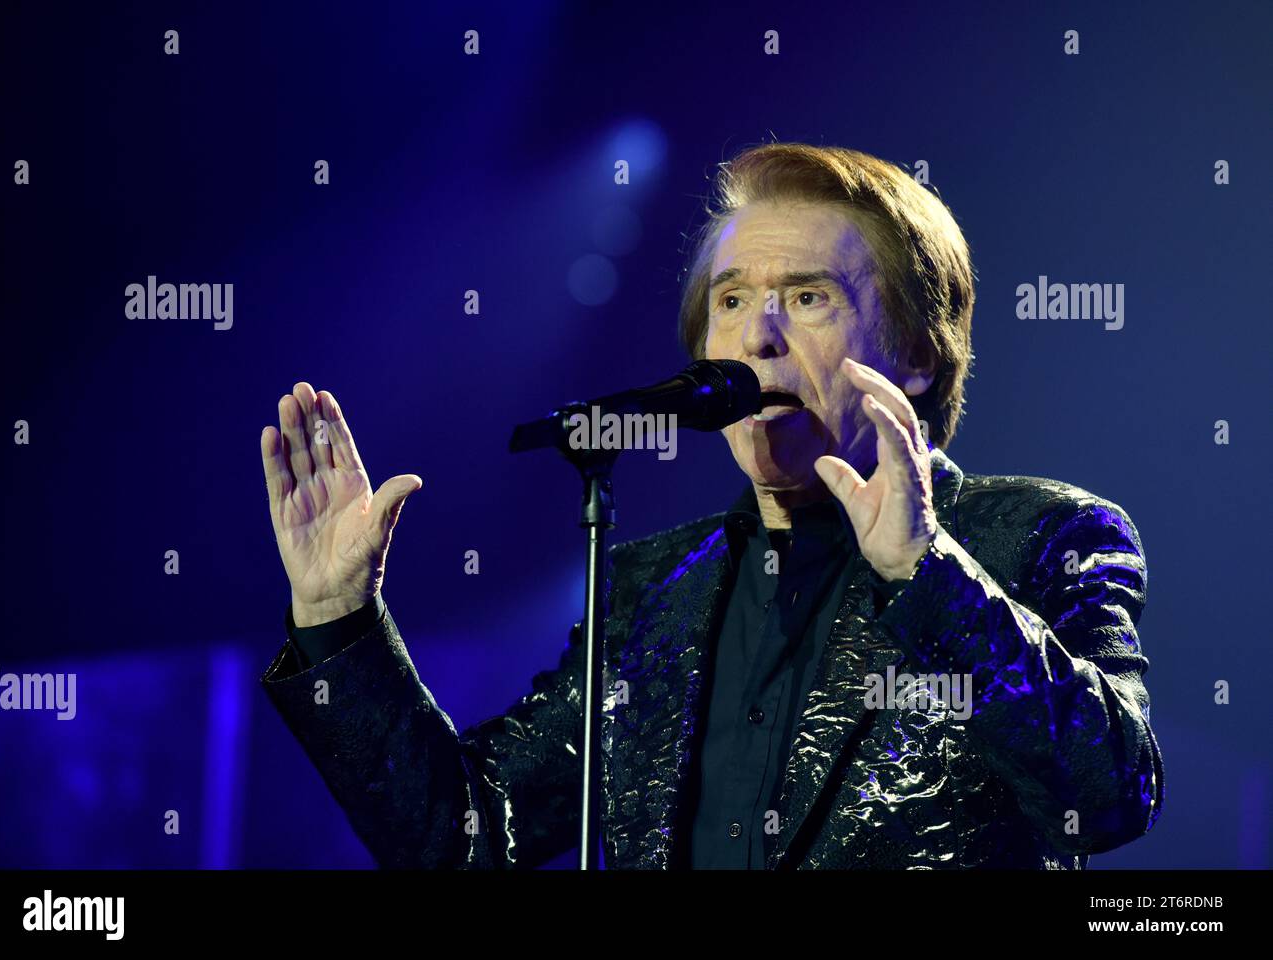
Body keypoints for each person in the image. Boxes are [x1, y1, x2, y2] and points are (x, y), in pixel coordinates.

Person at [257, 143, 1164, 869]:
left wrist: (924, 573)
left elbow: (1112, 796)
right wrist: (338, 620)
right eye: (731, 301)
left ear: (920, 354)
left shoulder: (1041, 537)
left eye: (807, 298)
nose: (756, 336)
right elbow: (463, 838)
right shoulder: (653, 589)